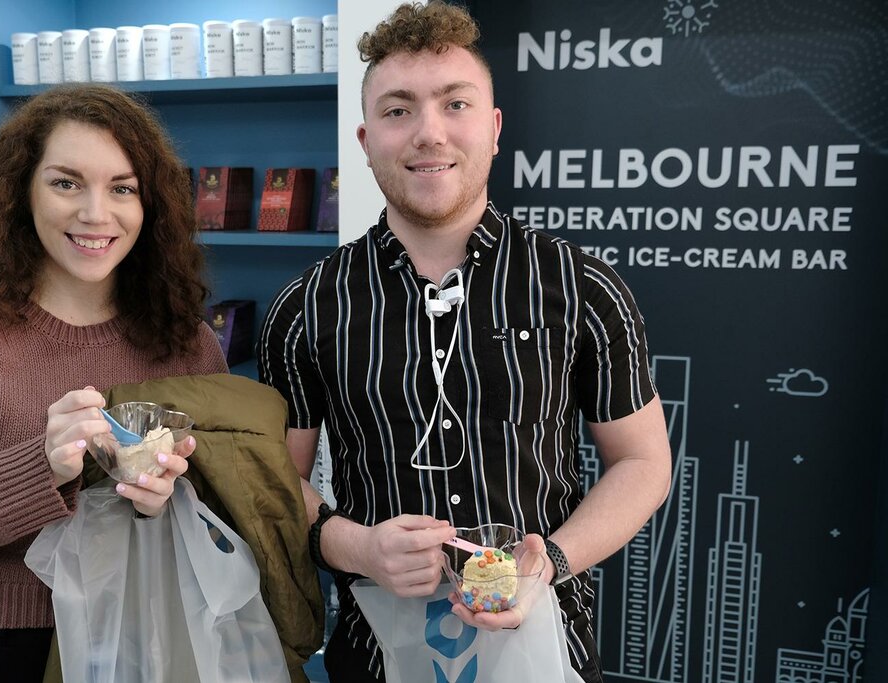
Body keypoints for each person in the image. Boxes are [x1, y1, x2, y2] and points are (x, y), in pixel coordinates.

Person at [257, 3, 672, 682]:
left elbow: (643, 461)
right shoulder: (306, 306)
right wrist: (357, 545)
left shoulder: (582, 286)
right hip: (374, 654)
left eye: (455, 104)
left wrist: (552, 560)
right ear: (365, 138)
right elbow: (279, 483)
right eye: (398, 111)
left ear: (495, 126)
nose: (429, 132)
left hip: (548, 646)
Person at [0, 85, 227, 682]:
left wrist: (172, 497)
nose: (95, 213)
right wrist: (42, 467)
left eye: (123, 188)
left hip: (148, 629)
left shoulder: (186, 340)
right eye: (65, 182)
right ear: (20, 192)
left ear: (150, 205)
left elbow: (221, 507)